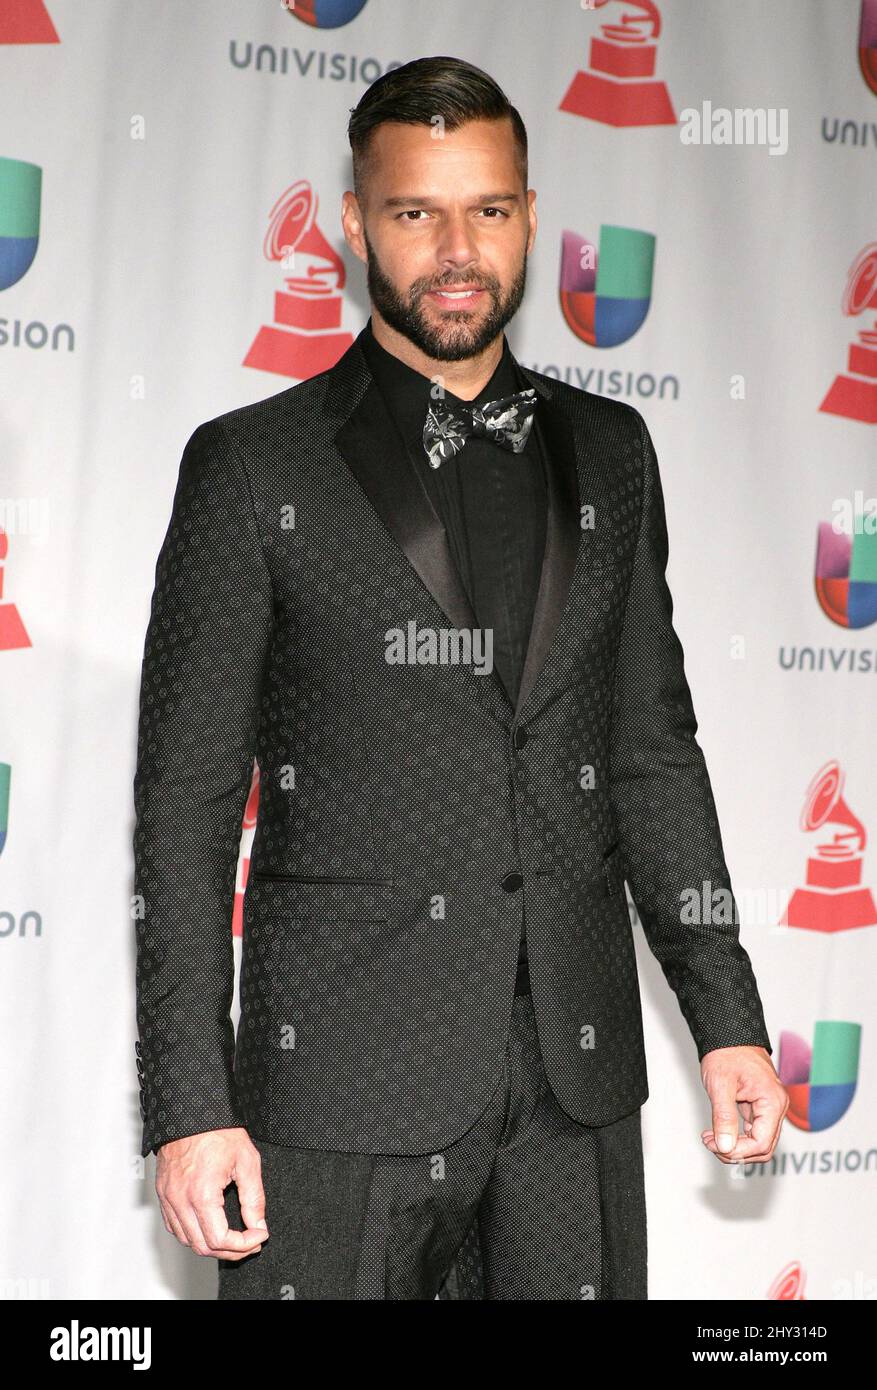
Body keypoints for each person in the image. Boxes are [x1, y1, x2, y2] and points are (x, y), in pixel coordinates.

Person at [132, 55, 788, 1301]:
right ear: (352, 224)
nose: (454, 249)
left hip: (571, 1088)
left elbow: (651, 750)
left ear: (532, 216)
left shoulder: (614, 451)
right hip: (336, 1082)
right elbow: (185, 804)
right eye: (414, 212)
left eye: (486, 210)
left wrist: (728, 1015)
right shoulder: (251, 467)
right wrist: (188, 1100)